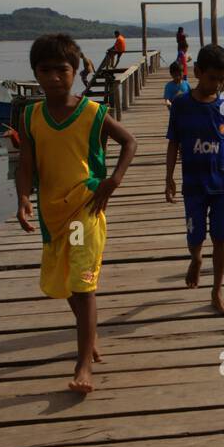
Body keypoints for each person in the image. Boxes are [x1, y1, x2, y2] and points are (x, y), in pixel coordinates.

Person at [16, 33, 138, 392]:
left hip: (86, 206)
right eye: (45, 70)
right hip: (52, 213)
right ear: (35, 73)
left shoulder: (92, 113)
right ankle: (90, 339)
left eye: (62, 70)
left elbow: (130, 141)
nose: (54, 77)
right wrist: (23, 197)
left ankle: (83, 364)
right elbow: (25, 163)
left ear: (75, 71)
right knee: (68, 283)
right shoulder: (31, 116)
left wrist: (113, 180)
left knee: (82, 286)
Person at [165, 44, 224, 315]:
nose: (217, 84)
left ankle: (216, 291)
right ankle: (196, 258)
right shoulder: (181, 106)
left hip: (221, 183)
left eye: (222, 79)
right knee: (195, 234)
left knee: (221, 238)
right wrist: (168, 177)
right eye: (212, 78)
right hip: (194, 185)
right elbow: (173, 142)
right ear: (196, 72)